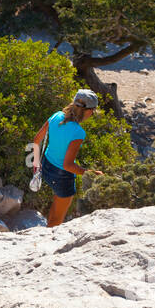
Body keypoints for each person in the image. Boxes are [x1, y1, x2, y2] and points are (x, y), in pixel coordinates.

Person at [32, 89, 106, 227]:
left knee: (56, 203)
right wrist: (91, 173)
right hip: (62, 176)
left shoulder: (56, 116)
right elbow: (68, 166)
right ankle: (48, 240)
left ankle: (48, 228)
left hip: (46, 165)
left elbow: (36, 140)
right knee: (57, 218)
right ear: (89, 111)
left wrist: (36, 164)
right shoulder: (78, 132)